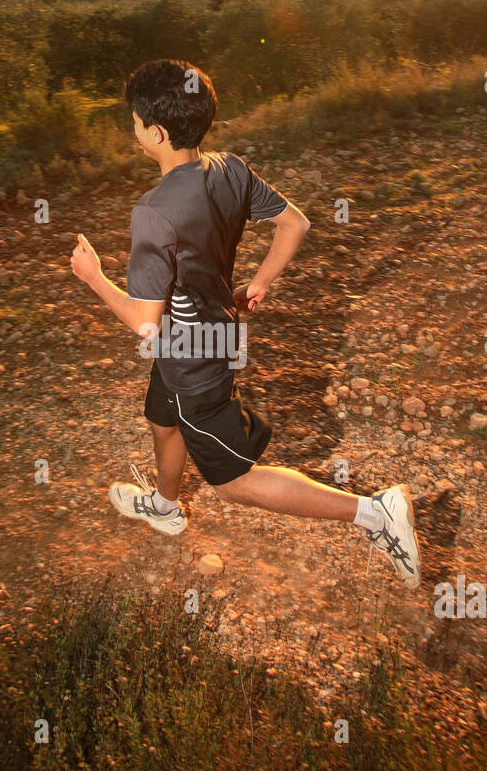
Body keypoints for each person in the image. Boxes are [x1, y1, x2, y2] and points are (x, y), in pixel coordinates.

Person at [69, 58, 421, 590]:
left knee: (233, 481)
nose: (133, 129)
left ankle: (376, 513)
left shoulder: (154, 211)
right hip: (199, 338)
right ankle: (165, 506)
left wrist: (93, 277)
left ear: (156, 132)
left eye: (135, 121)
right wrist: (258, 284)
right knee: (163, 419)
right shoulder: (229, 168)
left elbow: (144, 322)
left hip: (193, 359)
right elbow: (294, 223)